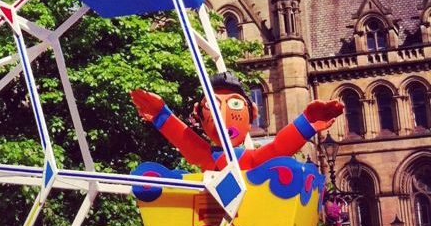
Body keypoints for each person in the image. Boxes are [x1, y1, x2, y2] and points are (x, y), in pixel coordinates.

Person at [130, 72, 344, 170]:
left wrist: (307, 123)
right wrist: (161, 115)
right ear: (197, 113)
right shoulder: (206, 156)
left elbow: (279, 147)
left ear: (252, 113)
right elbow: (184, 139)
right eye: (212, 104)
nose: (222, 113)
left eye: (234, 103)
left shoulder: (250, 159)